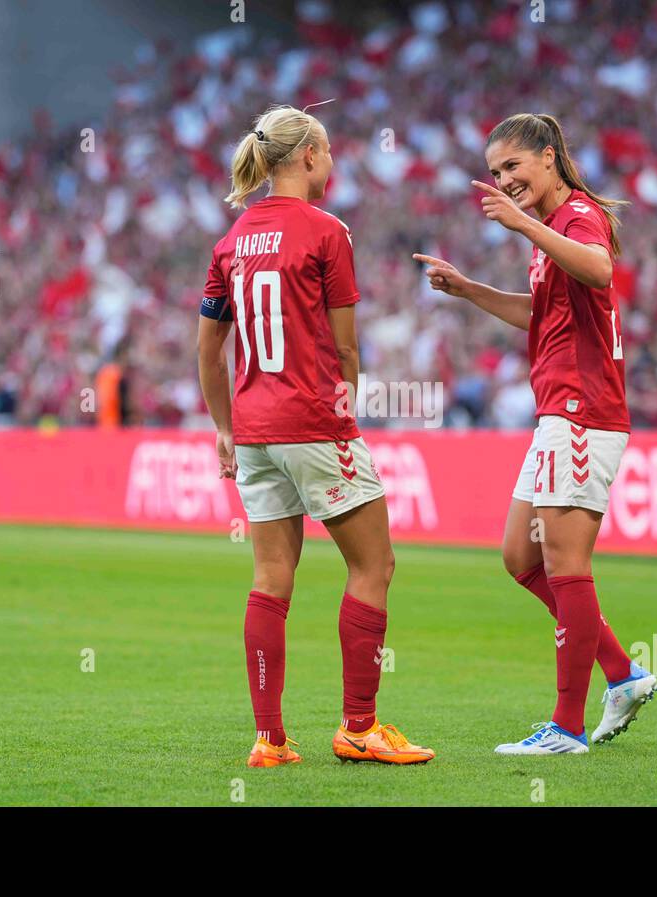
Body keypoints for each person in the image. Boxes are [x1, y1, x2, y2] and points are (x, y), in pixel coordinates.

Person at [198, 105, 434, 768]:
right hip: (313, 420)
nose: (332, 165)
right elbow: (346, 347)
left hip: (253, 432)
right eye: (328, 154)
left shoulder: (231, 240)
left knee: (272, 575)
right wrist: (345, 409)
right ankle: (359, 725)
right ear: (307, 156)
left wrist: (223, 425)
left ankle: (269, 739)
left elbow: (208, 348)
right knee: (373, 565)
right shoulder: (327, 231)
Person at [414, 113, 657, 755]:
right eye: (495, 173)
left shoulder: (575, 216)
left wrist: (523, 222)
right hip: (560, 410)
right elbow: (541, 312)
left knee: (565, 563)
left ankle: (568, 728)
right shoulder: (549, 230)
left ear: (548, 158)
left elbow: (601, 270)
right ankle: (624, 675)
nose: (504, 181)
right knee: (520, 558)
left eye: (513, 167)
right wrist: (469, 291)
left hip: (582, 411)